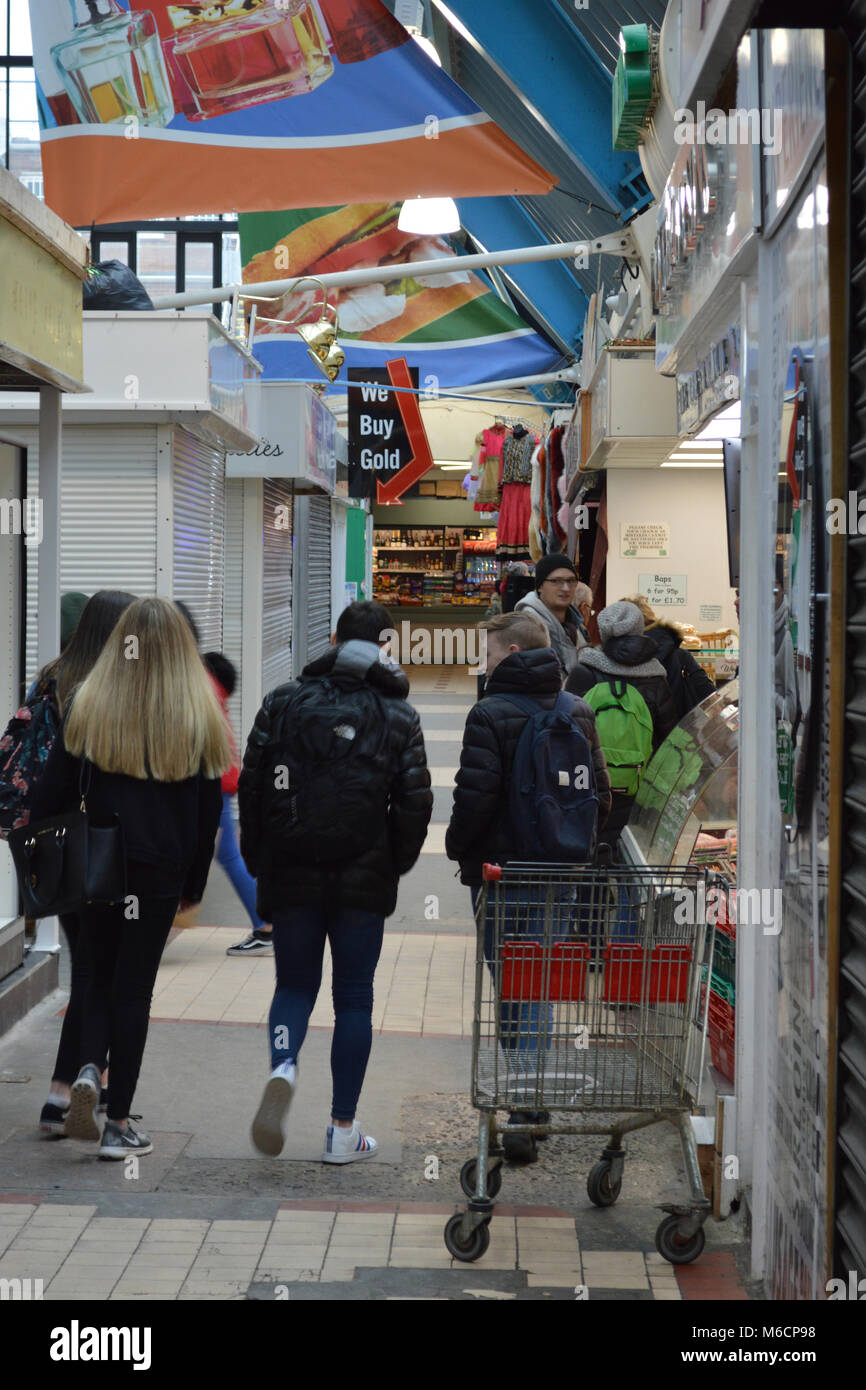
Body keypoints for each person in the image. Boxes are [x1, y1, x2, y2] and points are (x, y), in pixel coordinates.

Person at [30, 598, 228, 1158]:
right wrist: (193, 882)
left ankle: (86, 1068)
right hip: (158, 870)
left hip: (96, 863)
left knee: (93, 974)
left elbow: (50, 796)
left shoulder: (88, 705)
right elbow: (204, 813)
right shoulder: (196, 714)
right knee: (134, 988)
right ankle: (118, 1125)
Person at [239, 600, 433, 1164]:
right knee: (353, 1000)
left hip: (291, 872)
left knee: (294, 988)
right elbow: (414, 804)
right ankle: (342, 1132)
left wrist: (259, 860)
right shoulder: (398, 716)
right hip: (361, 878)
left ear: (331, 639)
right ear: (387, 646)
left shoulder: (282, 701)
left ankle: (283, 1066)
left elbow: (253, 788)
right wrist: (392, 862)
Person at [446, 610, 611, 1160]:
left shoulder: (489, 713)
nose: (484, 661)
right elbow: (601, 795)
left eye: (489, 652)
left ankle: (527, 1096)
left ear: (512, 654)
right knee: (536, 978)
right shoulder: (578, 709)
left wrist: (461, 851)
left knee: (512, 982)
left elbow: (475, 798)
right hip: (561, 872)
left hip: (502, 873)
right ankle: (529, 1097)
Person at [22, 589, 138, 1137]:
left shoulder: (52, 676)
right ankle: (86, 1081)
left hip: (59, 845)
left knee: (87, 969)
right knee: (108, 975)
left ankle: (60, 1098)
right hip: (109, 848)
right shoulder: (118, 689)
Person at [566, 600, 678, 850]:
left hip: (588, 786)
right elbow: (668, 738)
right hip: (637, 789)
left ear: (604, 632)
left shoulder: (585, 672)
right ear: (641, 630)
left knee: (589, 862)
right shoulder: (656, 677)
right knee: (628, 860)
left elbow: (566, 732)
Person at [202, 652, 274, 956]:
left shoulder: (201, 690)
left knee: (228, 855)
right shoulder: (211, 691)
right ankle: (266, 923)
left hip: (213, 783)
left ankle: (266, 925)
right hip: (220, 780)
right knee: (224, 854)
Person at [625, 594, 714, 720]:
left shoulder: (622, 659)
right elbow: (708, 692)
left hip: (637, 732)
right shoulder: (680, 656)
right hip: (677, 731)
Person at [515, 553, 586, 678]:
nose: (566, 588)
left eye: (571, 581)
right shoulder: (529, 627)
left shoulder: (577, 626)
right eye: (556, 581)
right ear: (540, 586)